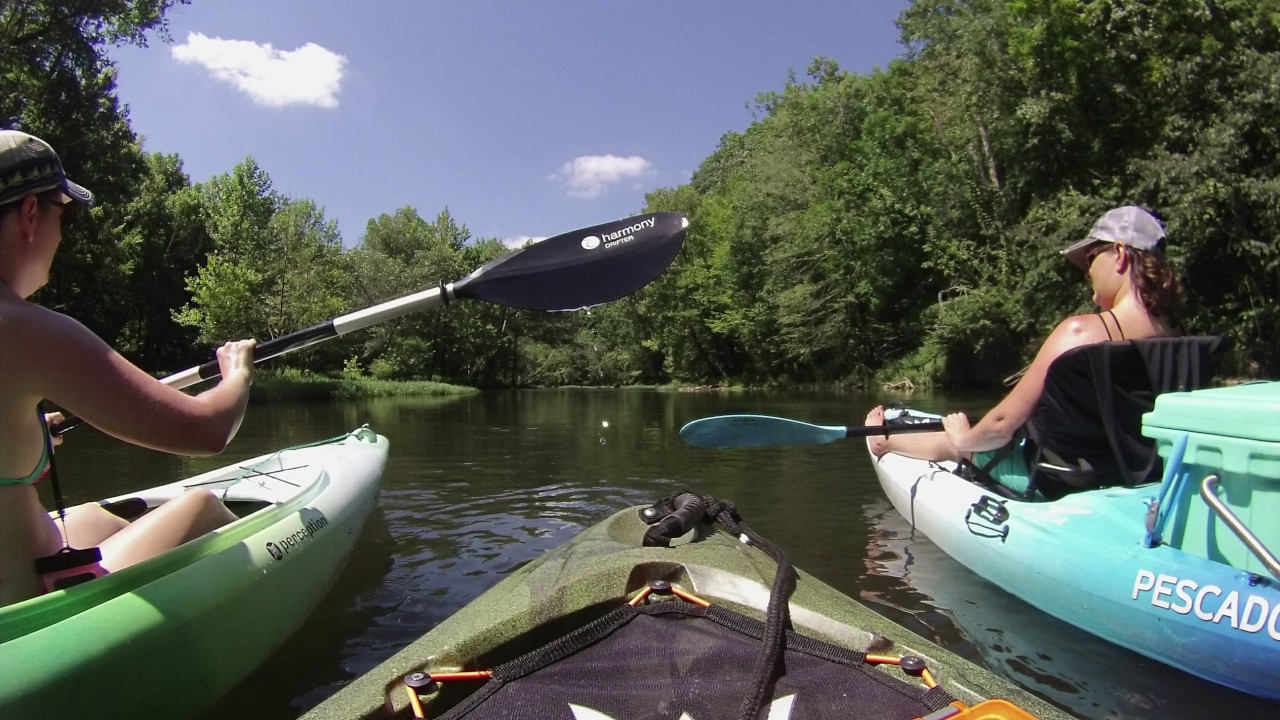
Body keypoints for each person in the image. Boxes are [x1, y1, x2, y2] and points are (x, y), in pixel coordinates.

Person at [0, 129, 257, 606]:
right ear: (32, 213)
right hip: (25, 610)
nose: (64, 231)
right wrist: (236, 374)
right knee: (201, 507)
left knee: (96, 519)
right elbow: (207, 430)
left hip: (25, 557)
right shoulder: (26, 329)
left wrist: (32, 432)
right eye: (66, 213)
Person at [866, 205, 1186, 470]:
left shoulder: (1080, 332)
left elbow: (1002, 424)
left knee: (965, 440)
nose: (1086, 271)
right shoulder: (1181, 338)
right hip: (1134, 470)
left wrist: (964, 438)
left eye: (1091, 257)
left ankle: (884, 438)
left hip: (1058, 477)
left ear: (1119, 254)